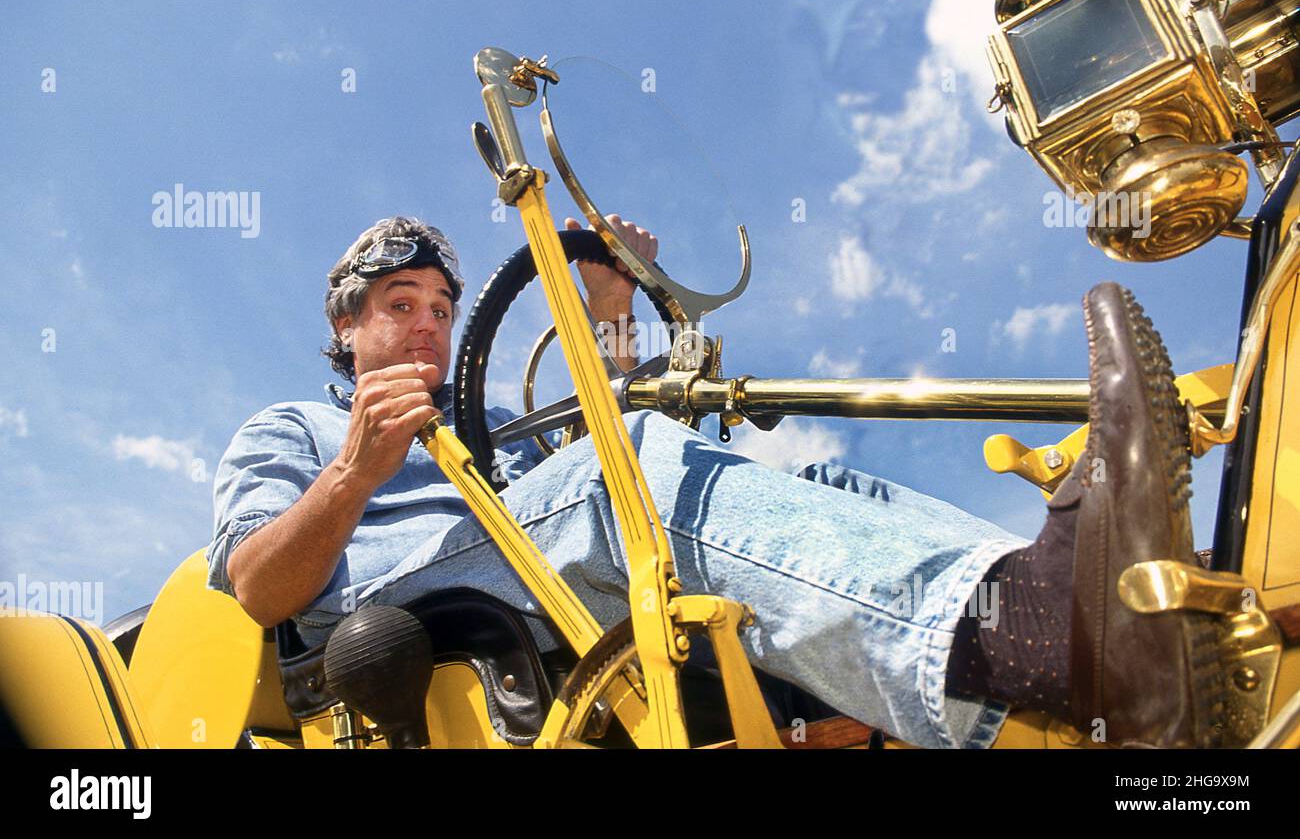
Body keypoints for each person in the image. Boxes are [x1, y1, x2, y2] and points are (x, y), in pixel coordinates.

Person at [208, 215, 1223, 749]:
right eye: (399, 303)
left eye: (440, 304)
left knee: (830, 483)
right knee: (625, 477)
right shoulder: (290, 428)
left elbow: (592, 438)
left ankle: (1039, 625)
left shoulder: (489, 442)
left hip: (534, 568)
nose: (429, 323)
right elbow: (258, 587)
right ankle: (1049, 637)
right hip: (404, 618)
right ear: (347, 326)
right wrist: (353, 471)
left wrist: (611, 310)